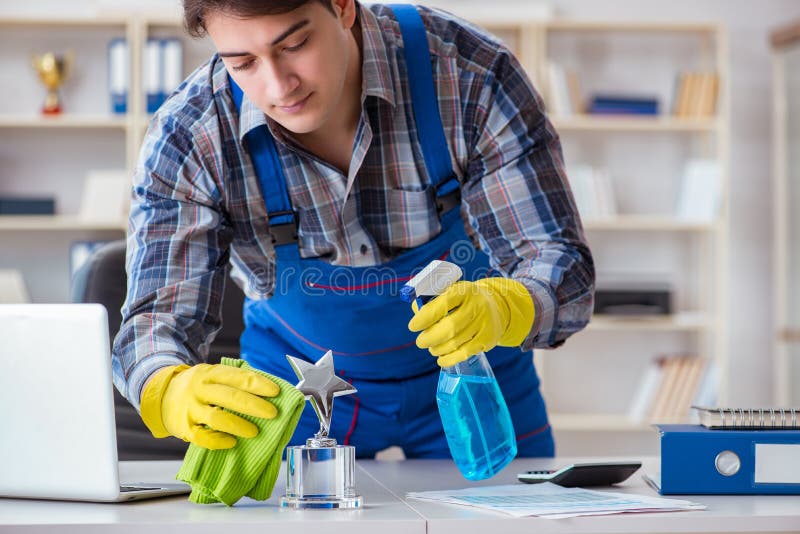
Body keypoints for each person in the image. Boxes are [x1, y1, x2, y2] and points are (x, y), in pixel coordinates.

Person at [113, 0, 595, 459]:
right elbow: (157, 320)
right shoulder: (190, 135)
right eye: (243, 63)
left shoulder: (470, 74)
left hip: (473, 370)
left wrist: (506, 308)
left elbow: (560, 265)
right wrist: (168, 386)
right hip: (296, 387)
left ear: (343, 6)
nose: (279, 87)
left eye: (295, 45)